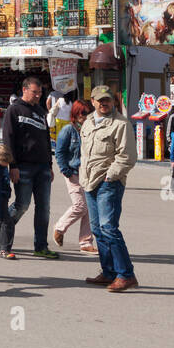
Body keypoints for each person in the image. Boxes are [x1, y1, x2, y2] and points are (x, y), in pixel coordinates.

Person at [80, 86, 138, 291]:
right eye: (100, 100)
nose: (104, 103)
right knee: (97, 229)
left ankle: (126, 274)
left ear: (113, 102)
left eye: (108, 100)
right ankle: (109, 272)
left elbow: (128, 157)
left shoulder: (121, 124)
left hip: (108, 183)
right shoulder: (87, 122)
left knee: (109, 228)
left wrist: (110, 176)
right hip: (89, 182)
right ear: (93, 102)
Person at [1, 75, 61, 259]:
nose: (38, 96)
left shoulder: (40, 111)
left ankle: (41, 246)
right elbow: (8, 140)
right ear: (24, 89)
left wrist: (50, 165)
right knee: (22, 205)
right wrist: (13, 166)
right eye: (35, 92)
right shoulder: (14, 110)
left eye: (40, 92)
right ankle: (2, 238)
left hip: (42, 167)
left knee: (44, 208)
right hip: (23, 167)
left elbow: (45, 139)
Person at [53, 99, 96, 251]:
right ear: (75, 114)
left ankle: (86, 242)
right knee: (80, 206)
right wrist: (65, 170)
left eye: (88, 113)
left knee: (90, 208)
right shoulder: (68, 130)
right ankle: (60, 227)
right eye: (82, 113)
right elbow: (59, 151)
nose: (85, 117)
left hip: (90, 173)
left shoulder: (91, 130)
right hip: (73, 172)